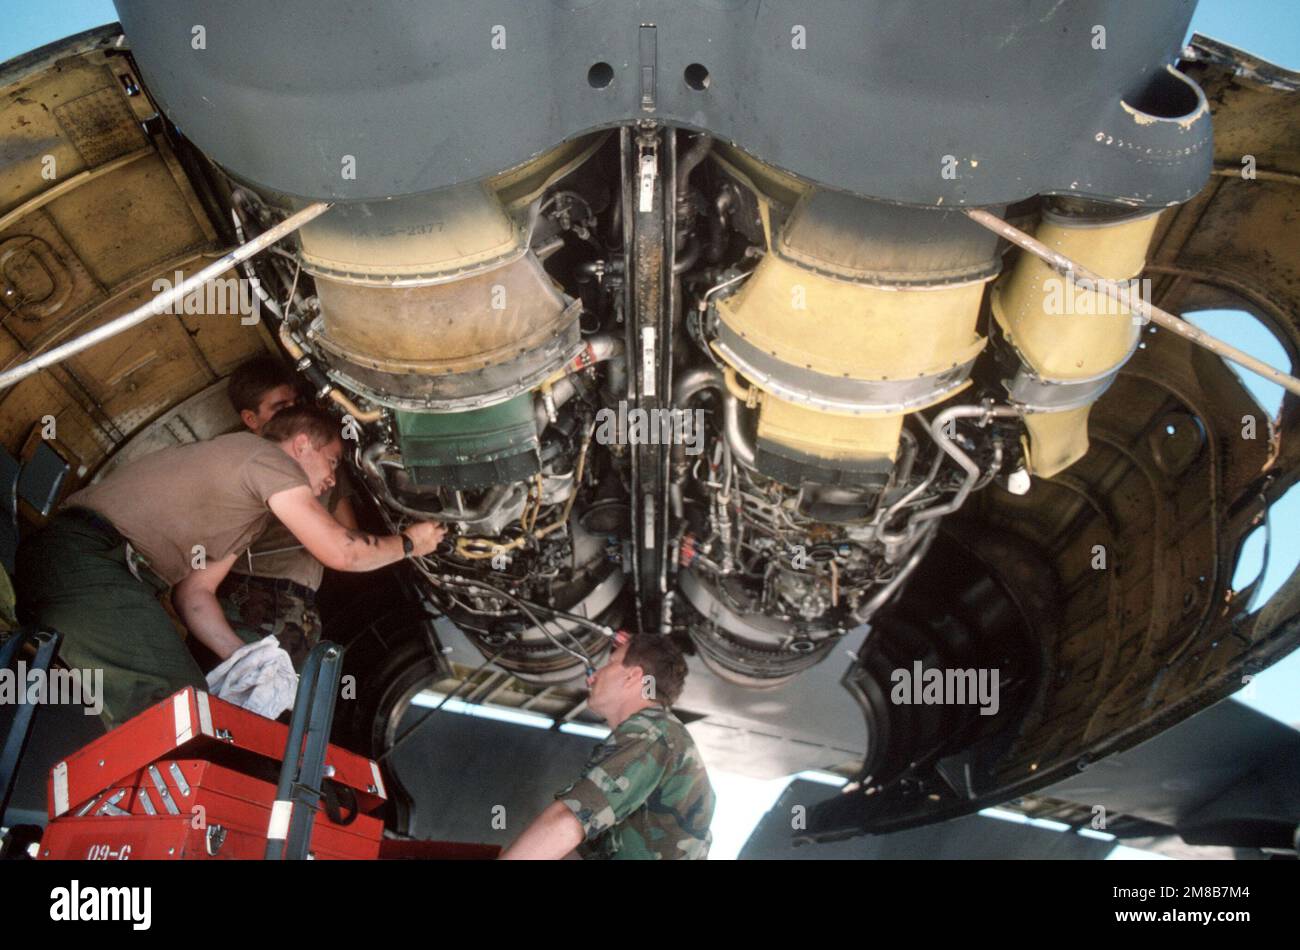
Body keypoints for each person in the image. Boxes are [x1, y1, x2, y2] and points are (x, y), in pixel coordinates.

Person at [16, 405, 444, 728]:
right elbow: (342, 551)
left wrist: (248, 658)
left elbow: (195, 595)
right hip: (85, 555)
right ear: (301, 445)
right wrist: (411, 542)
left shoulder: (248, 513)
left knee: (180, 710)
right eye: (331, 461)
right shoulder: (263, 458)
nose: (333, 479)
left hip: (102, 572)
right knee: (176, 707)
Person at [500, 634, 715, 860]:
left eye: (610, 664)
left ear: (633, 676)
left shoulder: (652, 733)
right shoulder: (655, 734)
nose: (592, 678)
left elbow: (569, 820)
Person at [215, 357, 359, 669]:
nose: (294, 411)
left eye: (297, 403)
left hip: (291, 601)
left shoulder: (326, 463)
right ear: (251, 419)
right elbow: (349, 543)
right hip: (261, 596)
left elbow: (349, 537)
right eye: (281, 407)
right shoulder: (241, 463)